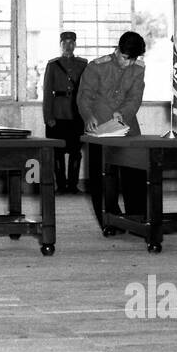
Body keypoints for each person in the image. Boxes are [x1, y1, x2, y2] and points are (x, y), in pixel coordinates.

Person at [78, 30, 147, 221]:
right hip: (100, 129)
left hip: (127, 129)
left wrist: (123, 113)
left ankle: (138, 218)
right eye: (125, 58)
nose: (128, 63)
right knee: (103, 178)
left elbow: (135, 98)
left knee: (135, 174)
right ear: (117, 49)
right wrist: (88, 116)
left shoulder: (139, 69)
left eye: (133, 59)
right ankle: (109, 220)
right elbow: (84, 96)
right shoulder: (96, 67)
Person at [42, 31, 88, 193]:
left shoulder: (83, 64)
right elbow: (47, 92)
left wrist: (87, 116)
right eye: (65, 43)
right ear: (60, 45)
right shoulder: (53, 65)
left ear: (75, 44)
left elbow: (87, 91)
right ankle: (61, 186)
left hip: (77, 114)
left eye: (71, 43)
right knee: (58, 152)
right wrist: (48, 117)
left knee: (76, 152)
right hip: (58, 113)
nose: (68, 46)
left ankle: (73, 185)